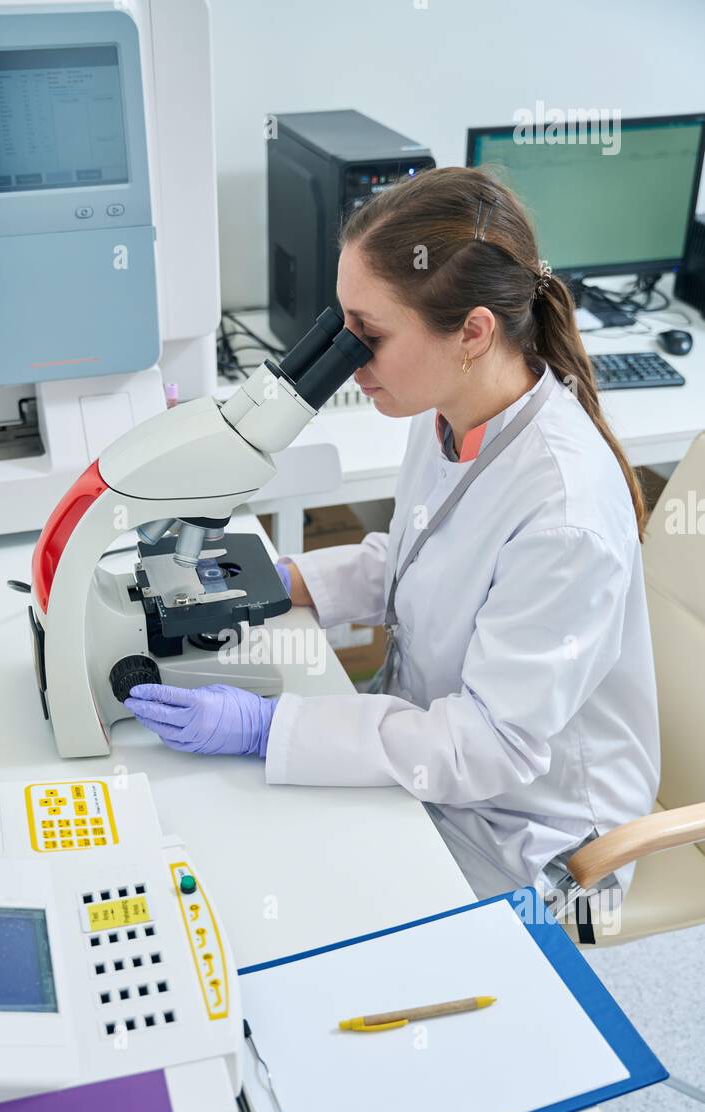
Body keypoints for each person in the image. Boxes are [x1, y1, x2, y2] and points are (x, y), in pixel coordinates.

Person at [125, 165, 660, 913]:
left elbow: (487, 746)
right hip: (436, 761)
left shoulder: (562, 514)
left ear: (471, 332)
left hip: (529, 836)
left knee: (281, 904)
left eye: (366, 335)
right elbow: (422, 555)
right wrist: (285, 579)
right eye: (340, 324)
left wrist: (269, 727)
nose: (346, 357)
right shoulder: (450, 407)